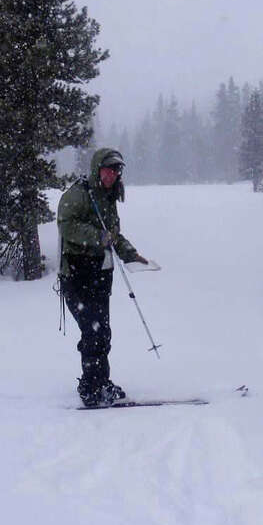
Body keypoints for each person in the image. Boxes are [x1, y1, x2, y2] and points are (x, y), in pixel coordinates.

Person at [57, 148, 149, 407]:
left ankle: (101, 381)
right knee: (92, 330)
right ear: (98, 168)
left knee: (103, 331)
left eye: (117, 170)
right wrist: (98, 237)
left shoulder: (108, 197)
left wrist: (130, 254)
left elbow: (113, 234)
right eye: (109, 169)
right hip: (76, 275)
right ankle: (90, 388)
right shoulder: (78, 194)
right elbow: (66, 225)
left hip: (99, 275)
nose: (113, 174)